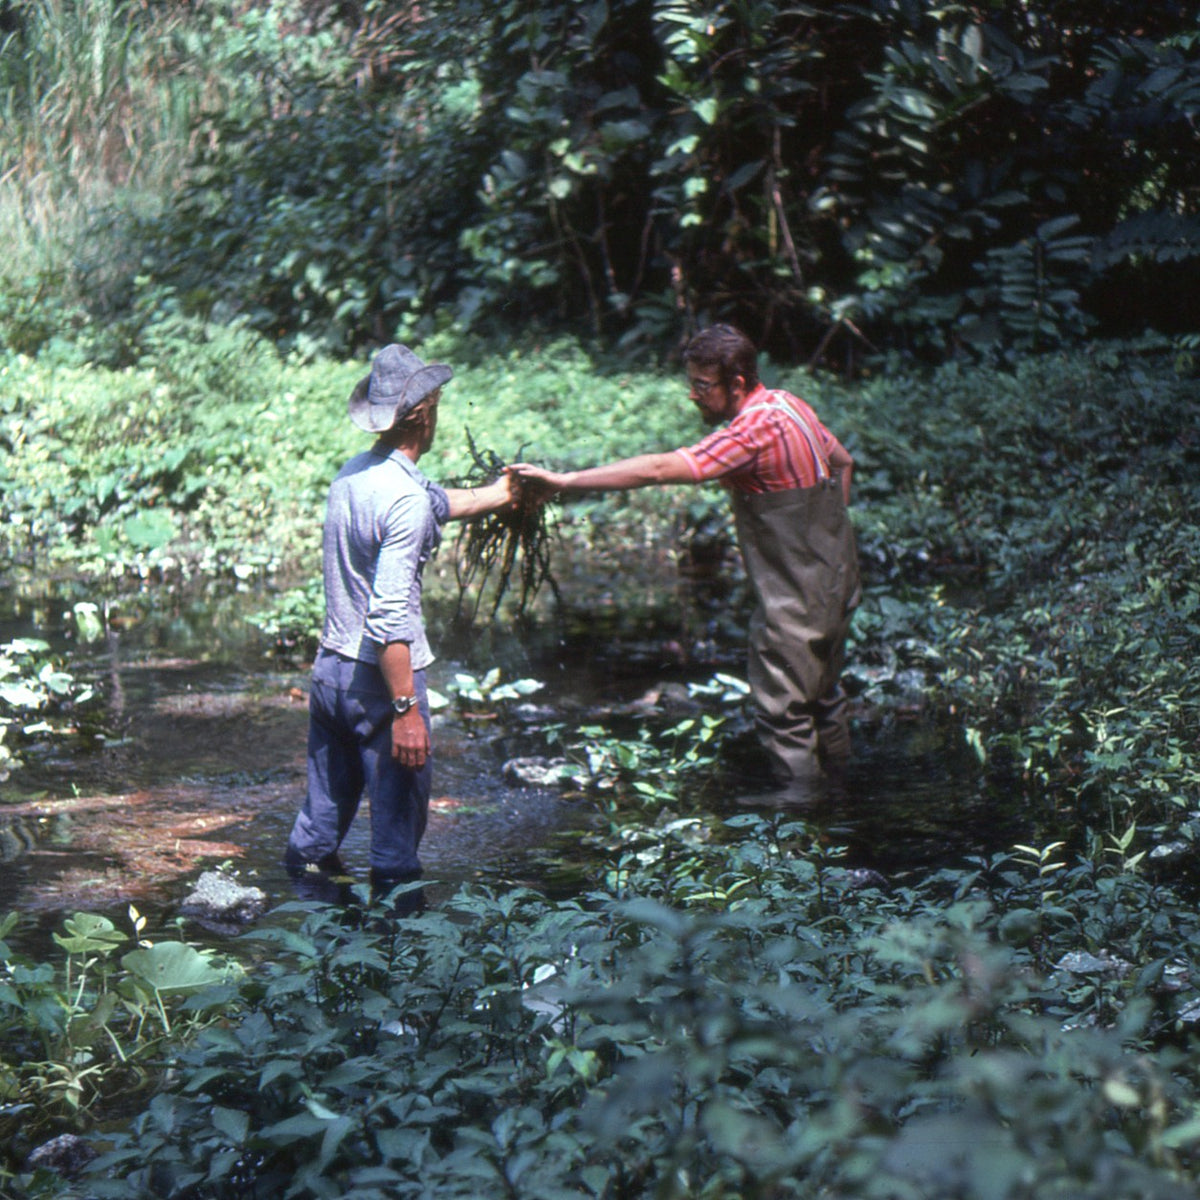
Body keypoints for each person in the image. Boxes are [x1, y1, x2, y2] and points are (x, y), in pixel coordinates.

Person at [513, 324, 860, 789]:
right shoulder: (788, 404)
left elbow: (659, 469)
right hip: (838, 582)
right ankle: (844, 801)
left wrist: (565, 481)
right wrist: (829, 531)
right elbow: (843, 462)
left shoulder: (751, 433)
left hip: (795, 600)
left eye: (702, 385)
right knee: (825, 696)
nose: (693, 396)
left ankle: (801, 819)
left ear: (736, 384)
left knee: (786, 712)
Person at [284, 343, 516, 903]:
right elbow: (390, 616)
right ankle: (399, 970)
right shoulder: (404, 498)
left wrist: (506, 493)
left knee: (315, 837)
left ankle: (321, 949)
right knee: (393, 853)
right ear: (426, 411)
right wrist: (407, 711)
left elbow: (438, 501)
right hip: (379, 689)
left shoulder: (355, 474)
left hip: (330, 678)